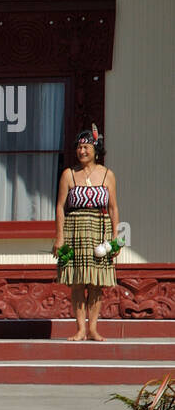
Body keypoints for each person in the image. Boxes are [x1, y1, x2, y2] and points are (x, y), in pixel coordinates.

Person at [54, 126, 122, 341]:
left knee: (95, 282)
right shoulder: (69, 175)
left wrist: (115, 238)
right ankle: (80, 329)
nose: (82, 151)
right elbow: (60, 207)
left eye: (86, 147)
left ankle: (92, 328)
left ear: (96, 150)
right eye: (79, 147)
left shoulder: (107, 175)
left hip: (98, 230)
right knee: (77, 283)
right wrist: (59, 237)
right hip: (74, 229)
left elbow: (113, 208)